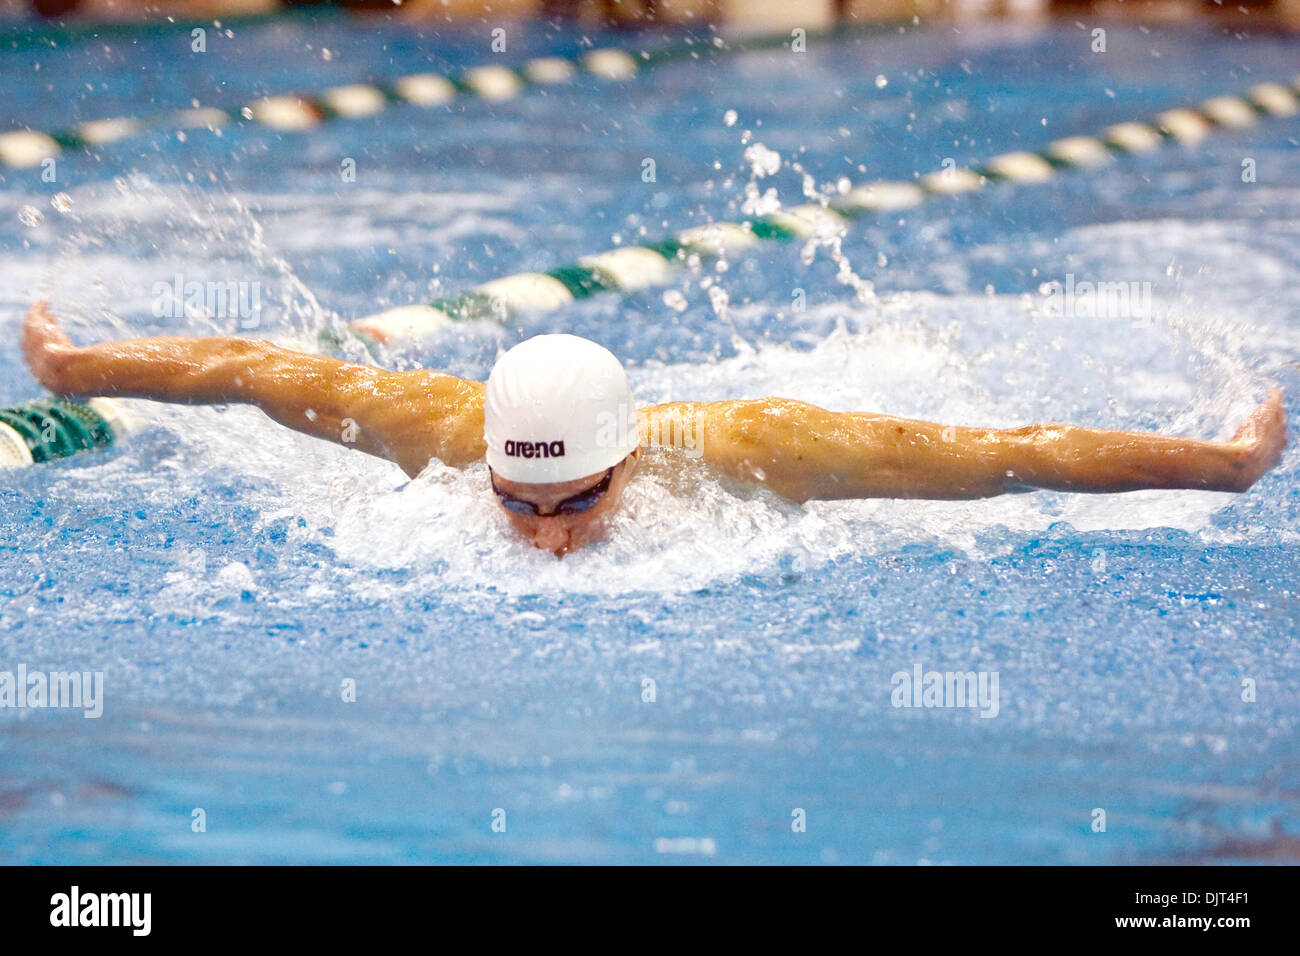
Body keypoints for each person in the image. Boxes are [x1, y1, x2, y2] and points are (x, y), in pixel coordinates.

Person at [21, 300, 1287, 556]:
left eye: (577, 502)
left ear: (624, 460)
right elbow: (248, 368)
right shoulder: (437, 430)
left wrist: (1225, 468)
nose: (547, 535)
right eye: (518, 505)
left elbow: (1012, 456)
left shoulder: (754, 449)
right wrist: (82, 366)